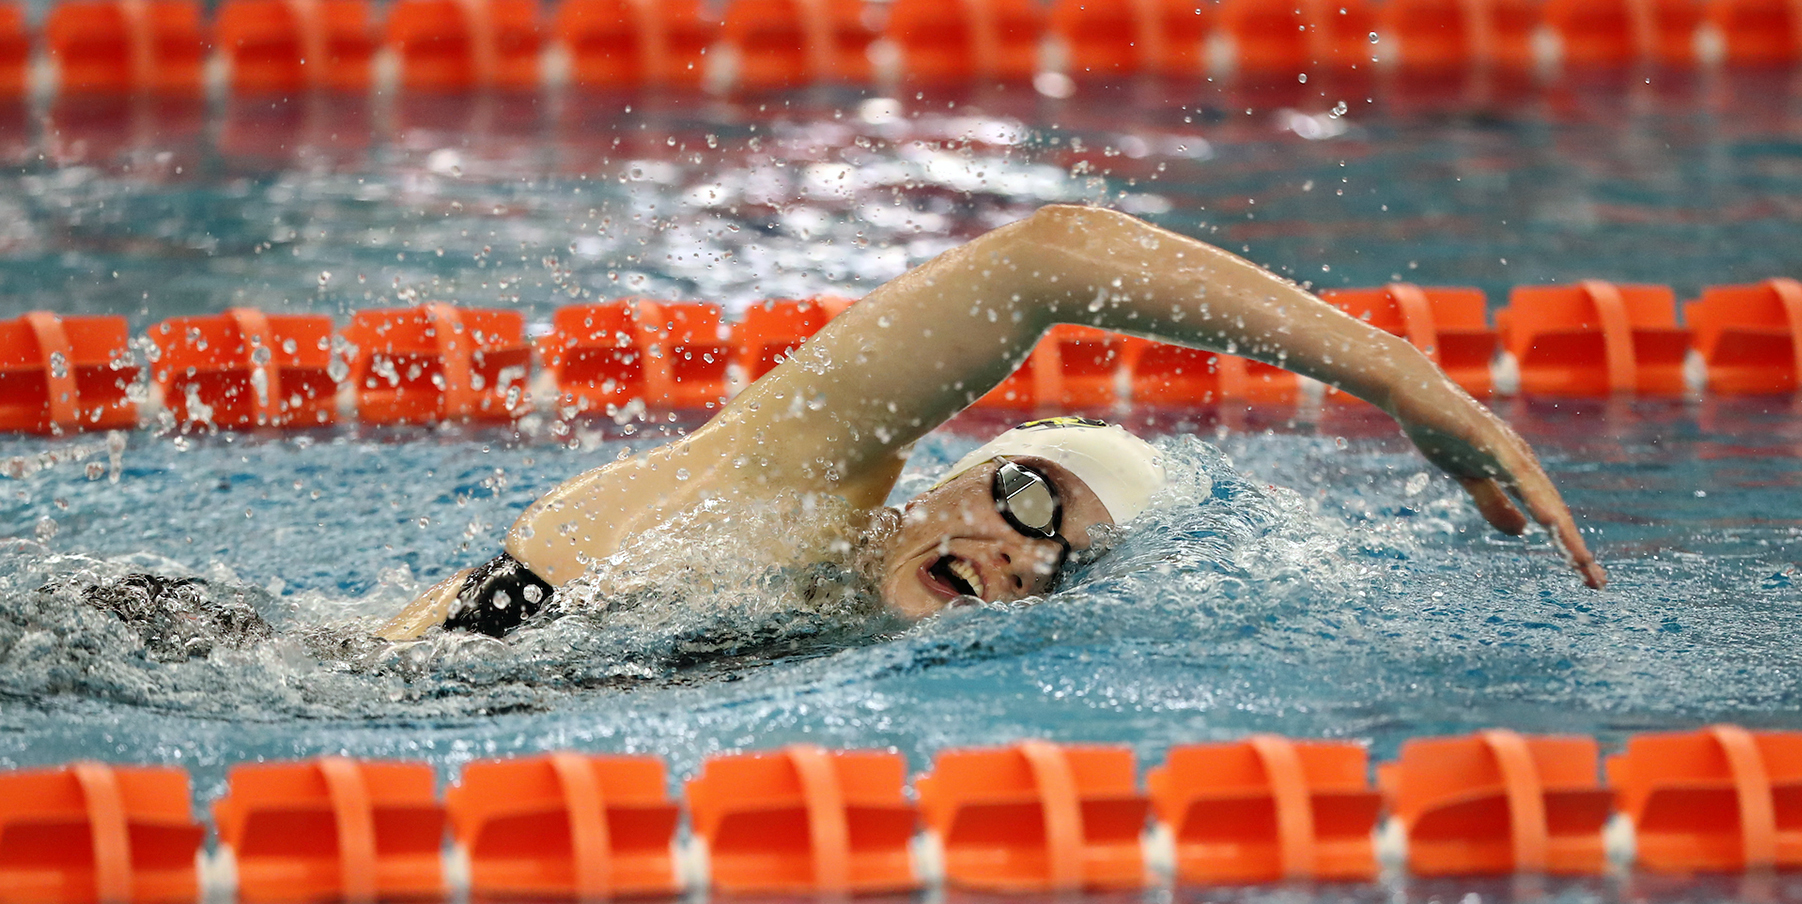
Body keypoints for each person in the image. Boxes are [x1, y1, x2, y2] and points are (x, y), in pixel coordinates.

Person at [379, 204, 1606, 642]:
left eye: (1063, 560)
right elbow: (1050, 258)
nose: (1029, 554)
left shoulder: (831, 634)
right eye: (1031, 500)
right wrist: (1396, 375)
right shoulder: (799, 482)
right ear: (945, 482)